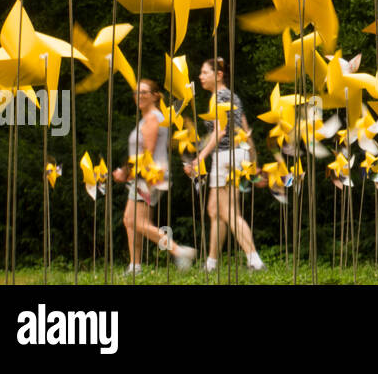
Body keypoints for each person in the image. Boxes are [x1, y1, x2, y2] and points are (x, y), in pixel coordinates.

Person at [184, 57, 265, 271]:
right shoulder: (232, 97)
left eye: (205, 72)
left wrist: (199, 158)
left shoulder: (219, 97)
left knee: (229, 212)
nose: (200, 76)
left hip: (226, 157)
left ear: (218, 75)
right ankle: (211, 263)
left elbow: (219, 132)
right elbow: (246, 130)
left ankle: (254, 260)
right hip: (234, 156)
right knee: (214, 210)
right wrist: (253, 161)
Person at [112, 78, 196, 274]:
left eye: (144, 92)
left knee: (134, 221)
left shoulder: (152, 119)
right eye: (136, 93)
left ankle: (178, 251)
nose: (139, 96)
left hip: (149, 175)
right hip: (149, 175)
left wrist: (125, 173)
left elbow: (146, 153)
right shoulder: (153, 117)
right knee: (134, 220)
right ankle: (135, 265)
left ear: (155, 95)